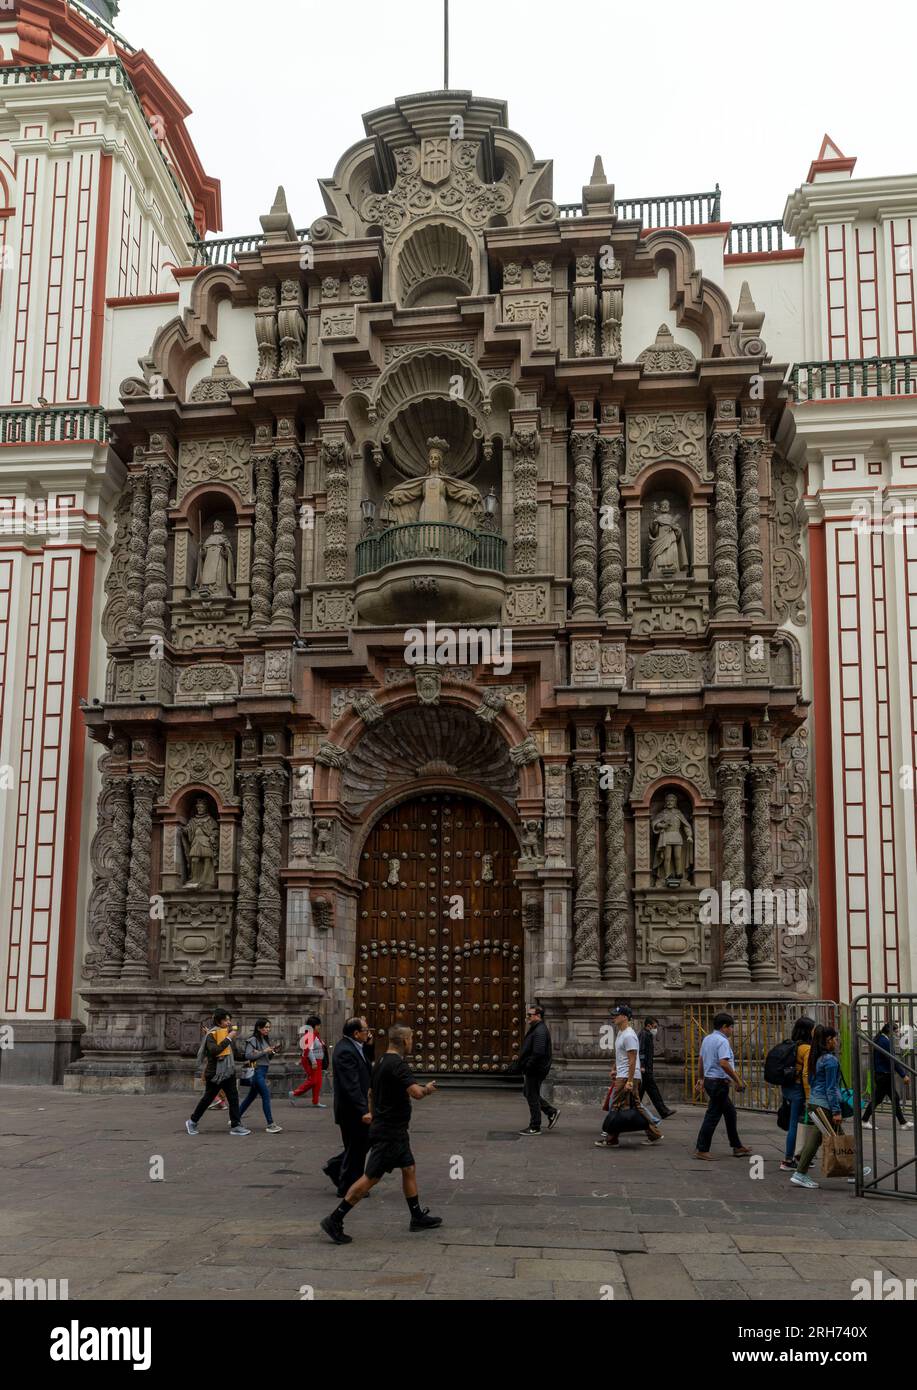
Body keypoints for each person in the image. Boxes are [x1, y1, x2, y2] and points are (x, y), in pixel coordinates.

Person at [320, 1024, 441, 1244]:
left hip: (390, 1128)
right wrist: (428, 1089)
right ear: (404, 1041)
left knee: (409, 1168)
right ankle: (334, 1219)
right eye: (411, 1038)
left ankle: (416, 1216)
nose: (413, 1042)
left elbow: (370, 1092)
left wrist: (372, 1113)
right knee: (370, 1178)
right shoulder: (399, 1065)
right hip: (390, 1131)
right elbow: (416, 1093)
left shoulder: (380, 1061)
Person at [595, 1004, 661, 1149]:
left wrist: (630, 1081)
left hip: (627, 1076)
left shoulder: (629, 1035)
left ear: (625, 1017)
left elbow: (632, 1059)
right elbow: (621, 1056)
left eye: (616, 1015)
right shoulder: (621, 1033)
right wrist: (614, 1069)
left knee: (616, 1105)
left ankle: (612, 1139)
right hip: (624, 1074)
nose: (614, 1017)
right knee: (633, 1106)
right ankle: (653, 1133)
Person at [324, 1017, 374, 1197]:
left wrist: (368, 1045)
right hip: (351, 1110)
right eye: (366, 1030)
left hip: (355, 1107)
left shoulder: (354, 1047)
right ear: (356, 1033)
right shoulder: (345, 1051)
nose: (368, 1033)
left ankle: (337, 1168)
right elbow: (350, 1085)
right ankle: (346, 1186)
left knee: (359, 1145)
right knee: (358, 1145)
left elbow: (365, 1068)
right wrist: (364, 1110)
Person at [791, 1025, 844, 1189]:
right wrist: (836, 1110)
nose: (836, 1041)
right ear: (828, 1040)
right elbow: (831, 1088)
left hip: (815, 1101)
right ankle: (800, 1172)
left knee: (838, 1137)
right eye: (835, 1038)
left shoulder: (815, 1057)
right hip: (825, 1105)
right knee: (818, 1140)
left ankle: (852, 1169)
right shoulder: (830, 1060)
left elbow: (812, 1081)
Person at [693, 1011, 750, 1159]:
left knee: (730, 1113)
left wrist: (700, 1078)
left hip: (710, 1080)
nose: (732, 1030)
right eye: (731, 1027)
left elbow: (700, 1059)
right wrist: (738, 1080)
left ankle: (737, 1146)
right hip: (718, 1083)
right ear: (724, 1027)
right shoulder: (722, 1041)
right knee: (713, 1115)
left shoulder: (707, 1039)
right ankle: (702, 1149)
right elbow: (724, 1063)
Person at [185, 1009, 250, 1136]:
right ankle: (192, 1121)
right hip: (215, 1073)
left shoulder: (227, 1033)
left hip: (228, 1071)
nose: (229, 1022)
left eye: (229, 1019)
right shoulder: (212, 1034)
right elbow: (215, 1051)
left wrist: (252, 1056)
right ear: (218, 1021)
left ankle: (236, 1125)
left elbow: (235, 1054)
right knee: (208, 1098)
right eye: (226, 1020)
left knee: (233, 1098)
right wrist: (229, 1039)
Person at [513, 1004, 559, 1135]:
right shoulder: (536, 1028)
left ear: (538, 1016)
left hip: (535, 1069)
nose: (527, 1017)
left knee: (531, 1095)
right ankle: (551, 1112)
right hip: (535, 1068)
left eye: (530, 1015)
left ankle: (535, 1126)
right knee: (529, 1093)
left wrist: (528, 1066)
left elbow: (538, 1052)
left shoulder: (539, 1031)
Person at [862, 1022, 914, 1130]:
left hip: (883, 1074)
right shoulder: (884, 1041)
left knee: (892, 1098)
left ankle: (902, 1123)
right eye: (895, 1031)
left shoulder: (882, 1039)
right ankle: (864, 1120)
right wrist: (903, 1075)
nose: (896, 1033)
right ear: (890, 1031)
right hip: (884, 1075)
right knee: (880, 1099)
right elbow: (892, 1060)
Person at [779, 1016, 814, 1171]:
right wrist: (808, 1096)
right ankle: (788, 1159)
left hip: (788, 1087)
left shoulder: (791, 1044)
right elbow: (806, 1074)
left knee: (797, 1123)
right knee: (796, 1125)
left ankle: (800, 1156)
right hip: (799, 1089)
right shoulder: (807, 1048)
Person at [238, 1017, 283, 1133]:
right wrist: (264, 1051)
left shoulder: (265, 1040)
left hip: (263, 1070)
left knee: (251, 1096)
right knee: (266, 1095)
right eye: (266, 1027)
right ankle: (270, 1124)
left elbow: (266, 1057)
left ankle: (235, 1117)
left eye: (269, 1027)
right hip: (256, 1071)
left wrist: (272, 1051)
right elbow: (248, 1055)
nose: (268, 1029)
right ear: (259, 1028)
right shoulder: (253, 1040)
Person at [638, 1016, 676, 1119]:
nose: (656, 1029)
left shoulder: (647, 1034)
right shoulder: (644, 1035)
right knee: (652, 1090)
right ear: (648, 1025)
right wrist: (642, 1066)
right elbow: (641, 1051)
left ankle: (634, 1109)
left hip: (647, 1068)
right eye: (654, 1026)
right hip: (645, 1069)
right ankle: (663, 1111)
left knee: (644, 1092)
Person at [289, 1014, 327, 1107]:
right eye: (318, 1025)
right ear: (313, 1026)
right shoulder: (310, 1035)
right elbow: (308, 1050)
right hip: (312, 1061)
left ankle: (315, 1101)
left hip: (318, 1061)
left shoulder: (315, 1035)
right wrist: (314, 1062)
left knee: (318, 1082)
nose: (319, 1027)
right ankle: (294, 1093)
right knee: (313, 1081)